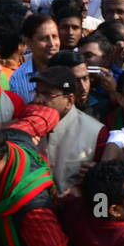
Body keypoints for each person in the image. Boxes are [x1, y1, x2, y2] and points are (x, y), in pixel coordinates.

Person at [33, 64, 105, 192]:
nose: (38, 100)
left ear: (69, 100)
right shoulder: (28, 123)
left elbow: (104, 189)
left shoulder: (97, 133)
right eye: (37, 93)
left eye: (47, 94)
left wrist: (94, 178)